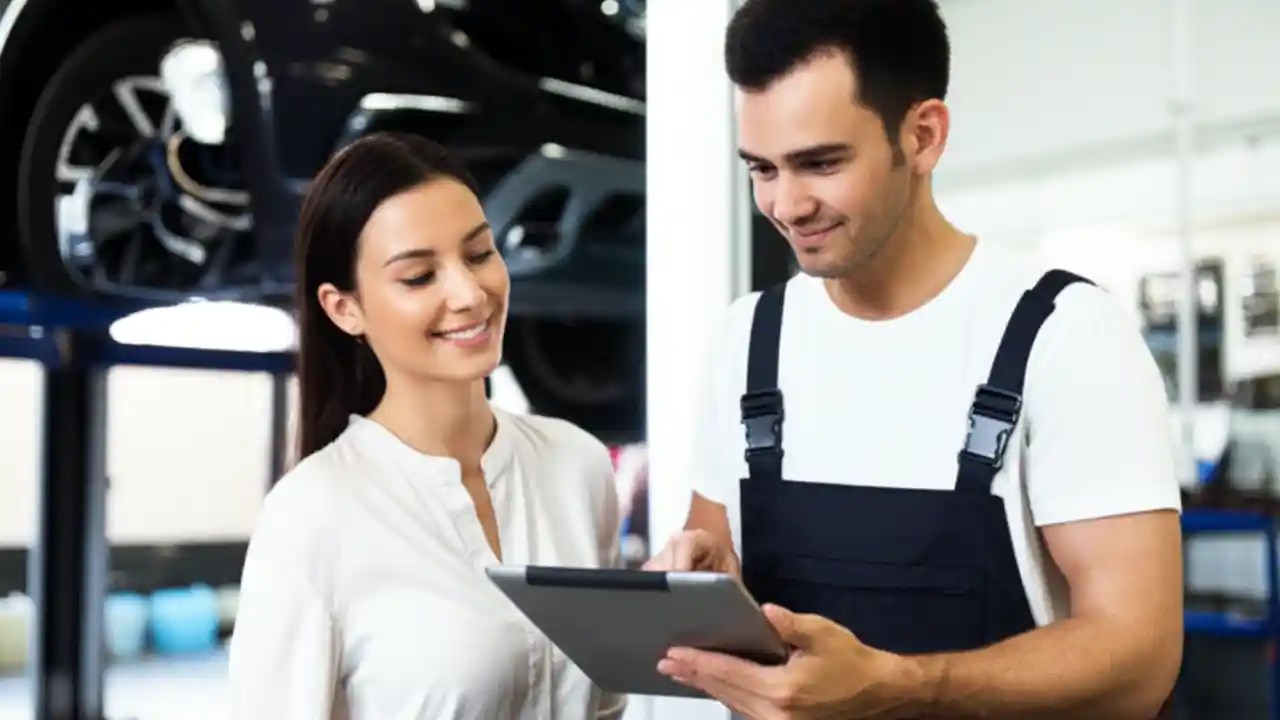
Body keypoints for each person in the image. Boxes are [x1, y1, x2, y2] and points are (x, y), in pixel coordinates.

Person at [646, 1, 1184, 718]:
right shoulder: (748, 341)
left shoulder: (1063, 337)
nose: (786, 203)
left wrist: (898, 685)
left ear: (923, 137)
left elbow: (1140, 655)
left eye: (821, 163)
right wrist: (709, 589)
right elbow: (722, 568)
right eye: (761, 169)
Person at [226, 132, 626, 720]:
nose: (469, 294)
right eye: (419, 277)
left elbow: (602, 706)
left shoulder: (577, 465)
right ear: (345, 308)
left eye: (480, 253)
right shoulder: (312, 514)